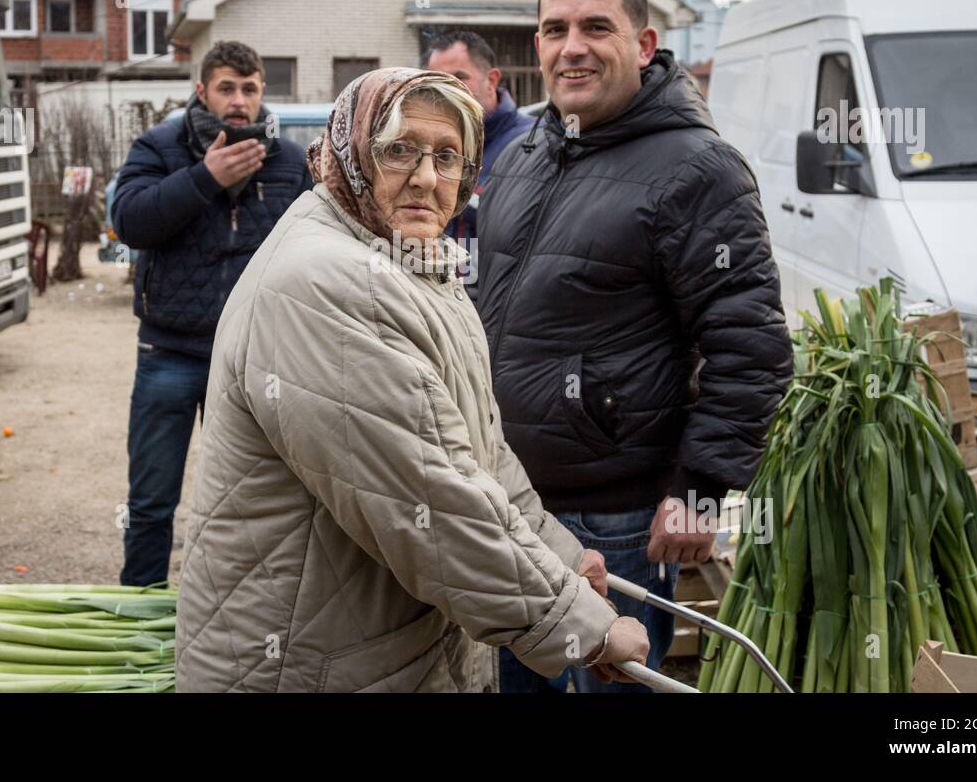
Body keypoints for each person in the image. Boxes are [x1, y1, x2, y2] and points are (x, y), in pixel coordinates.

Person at [175, 67, 652, 692]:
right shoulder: (322, 283)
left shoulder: (407, 261)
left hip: (366, 651)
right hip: (306, 666)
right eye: (399, 149)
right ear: (351, 155)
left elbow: (475, 454)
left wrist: (563, 558)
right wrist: (577, 624)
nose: (427, 176)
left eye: (449, 157)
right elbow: (428, 496)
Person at [478, 0, 794, 693]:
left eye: (597, 26)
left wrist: (702, 489)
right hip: (512, 503)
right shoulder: (524, 153)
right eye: (555, 29)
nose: (572, 46)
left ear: (644, 45)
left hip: (612, 520)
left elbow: (751, 347)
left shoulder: (698, 169)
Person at [110, 40, 312, 587]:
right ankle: (141, 610)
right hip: (169, 353)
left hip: (253, 357)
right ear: (202, 91)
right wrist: (206, 177)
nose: (239, 100)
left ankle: (236, 622)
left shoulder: (291, 161)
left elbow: (318, 247)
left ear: (263, 91)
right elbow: (129, 223)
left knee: (250, 505)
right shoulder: (160, 146)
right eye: (227, 87)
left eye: (250, 88)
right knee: (151, 499)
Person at [421, 31, 534, 280]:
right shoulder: (427, 146)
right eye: (437, 81)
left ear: (492, 80)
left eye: (459, 78)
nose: (446, 91)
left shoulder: (532, 143)